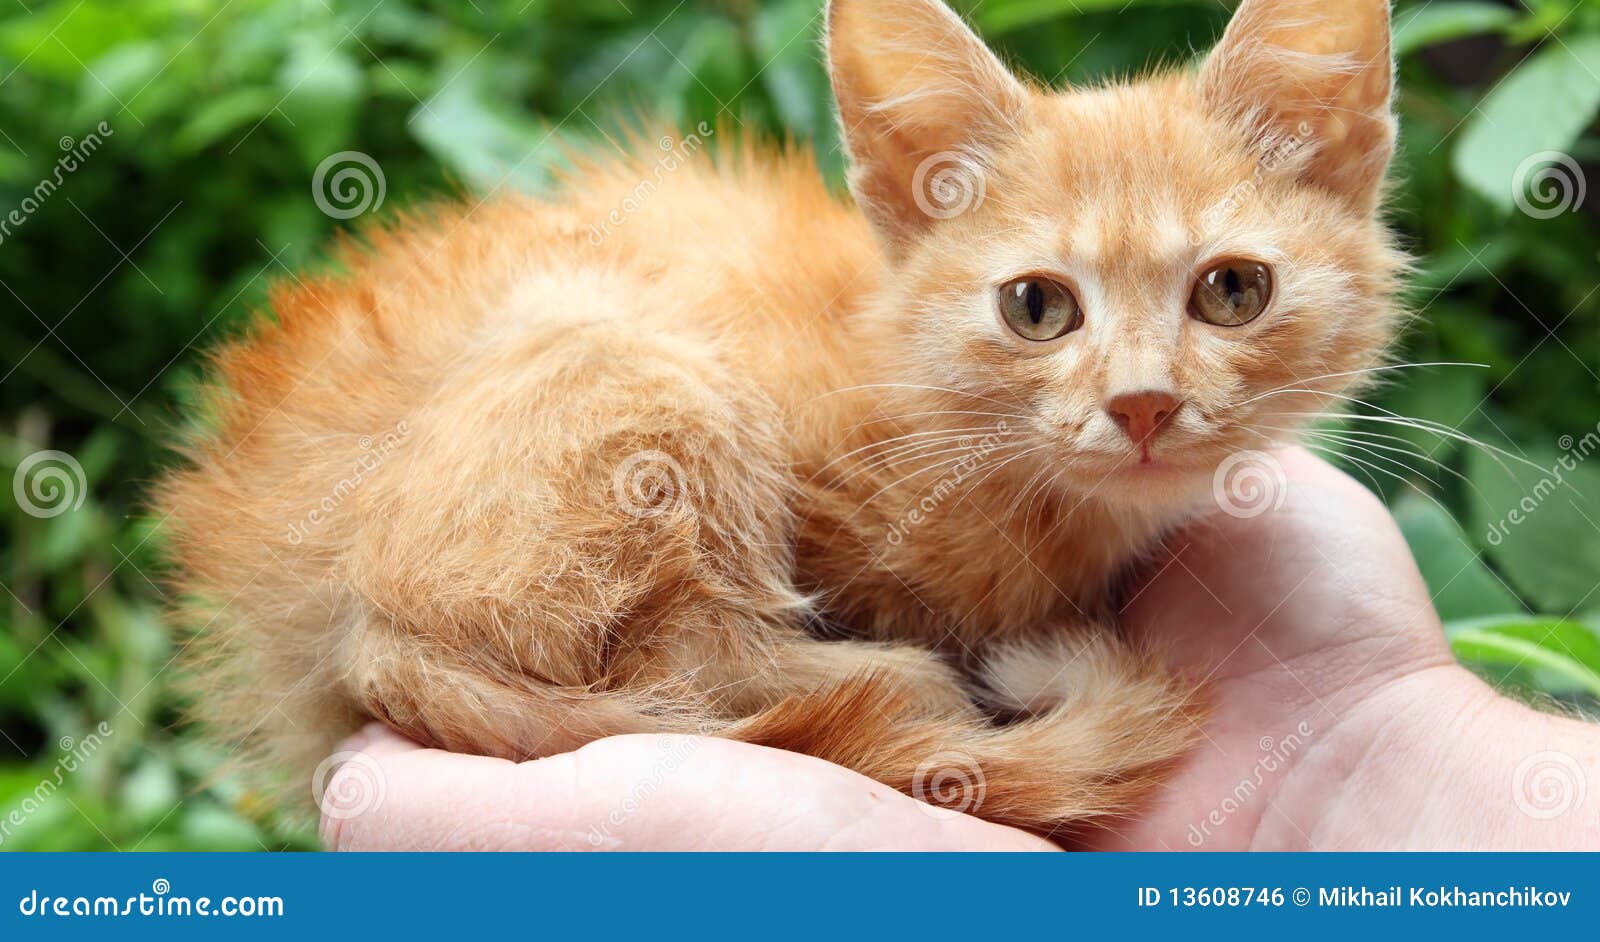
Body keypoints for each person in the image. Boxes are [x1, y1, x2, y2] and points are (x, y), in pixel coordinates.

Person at [319, 449, 1598, 850]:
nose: (1143, 389)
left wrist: (1368, 737)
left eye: (1227, 291)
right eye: (1039, 305)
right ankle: (704, 658)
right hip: (471, 548)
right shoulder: (921, 472)